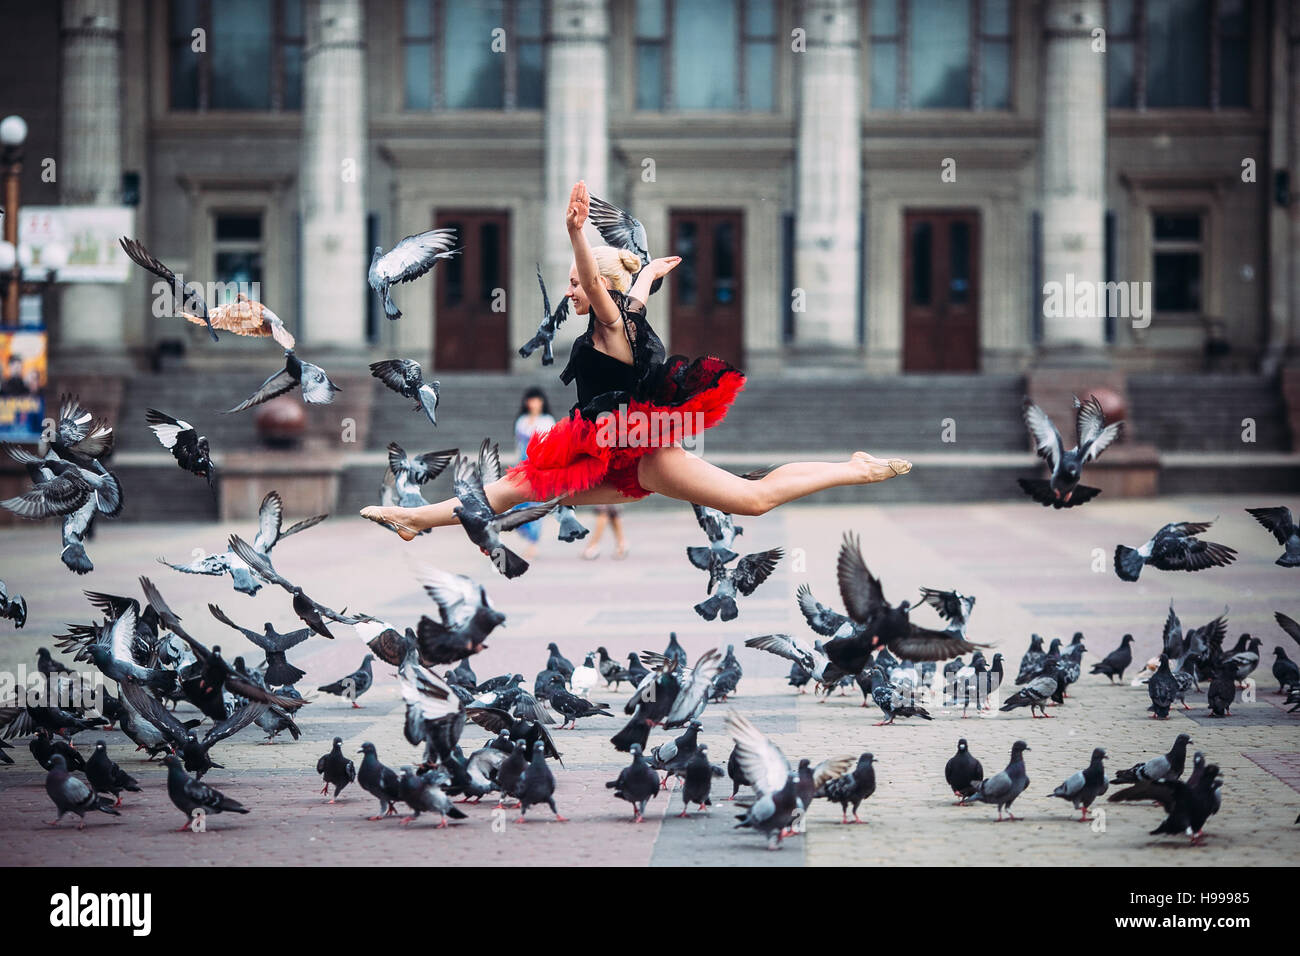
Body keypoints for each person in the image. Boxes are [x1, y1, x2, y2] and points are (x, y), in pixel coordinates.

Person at [360, 180, 910, 541]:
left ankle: (854, 469)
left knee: (754, 498)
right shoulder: (629, 319)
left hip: (640, 451)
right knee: (512, 489)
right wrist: (646, 274)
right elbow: (630, 298)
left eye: (574, 284)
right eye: (571, 284)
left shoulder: (610, 322)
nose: (569, 292)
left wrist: (577, 233)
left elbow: (604, 292)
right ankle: (413, 519)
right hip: (603, 451)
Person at [511, 386, 556, 560]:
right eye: (531, 400)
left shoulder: (547, 420)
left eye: (537, 400)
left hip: (539, 466)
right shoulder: (521, 421)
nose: (534, 403)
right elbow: (518, 445)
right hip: (523, 465)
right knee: (518, 504)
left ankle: (533, 542)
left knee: (534, 505)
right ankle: (526, 534)